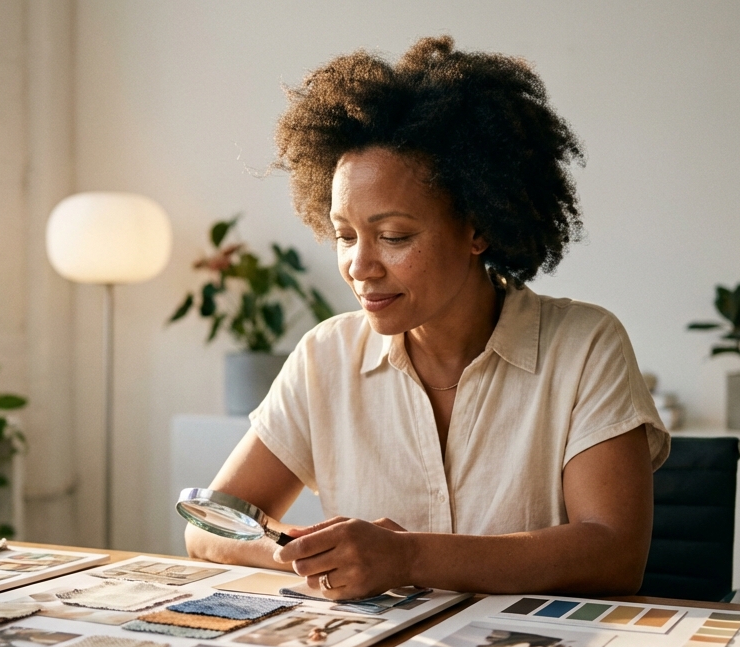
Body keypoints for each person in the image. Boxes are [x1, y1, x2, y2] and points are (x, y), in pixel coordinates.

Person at [185, 36, 669, 600]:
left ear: (478, 227)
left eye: (393, 237)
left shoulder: (585, 347)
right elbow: (207, 528)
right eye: (345, 236)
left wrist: (407, 555)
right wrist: (310, 552)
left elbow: (613, 554)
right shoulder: (327, 356)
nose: (359, 266)